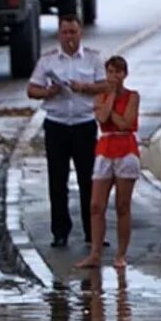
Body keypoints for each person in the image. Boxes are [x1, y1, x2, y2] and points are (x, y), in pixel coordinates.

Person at [27, 15, 107, 248]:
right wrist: (48, 92)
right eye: (65, 33)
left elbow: (106, 85)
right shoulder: (48, 61)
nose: (69, 37)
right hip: (57, 124)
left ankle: (93, 232)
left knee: (88, 180)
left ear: (80, 33)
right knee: (57, 180)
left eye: (73, 32)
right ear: (59, 34)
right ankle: (60, 232)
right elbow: (31, 89)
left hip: (84, 123)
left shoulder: (93, 58)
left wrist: (85, 87)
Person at [77, 56, 139, 270]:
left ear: (125, 74)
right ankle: (95, 253)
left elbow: (127, 123)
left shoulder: (133, 96)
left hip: (126, 149)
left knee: (122, 205)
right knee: (96, 205)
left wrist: (109, 109)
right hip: (105, 149)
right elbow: (102, 119)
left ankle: (121, 254)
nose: (114, 76)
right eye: (111, 72)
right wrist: (110, 99)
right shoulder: (100, 95)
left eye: (118, 72)